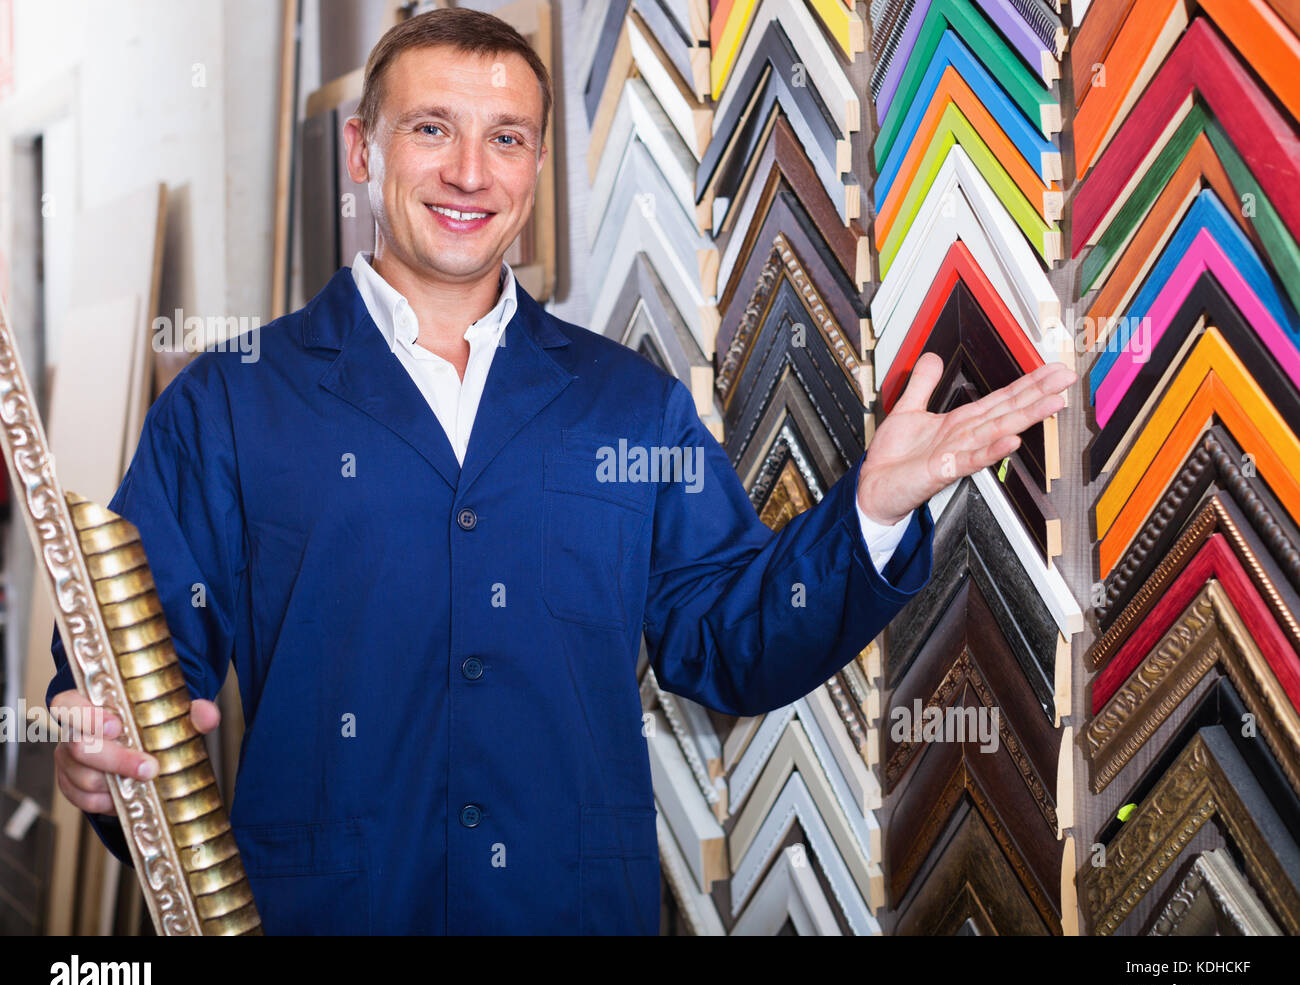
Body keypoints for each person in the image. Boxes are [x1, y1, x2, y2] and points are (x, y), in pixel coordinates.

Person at [47, 8, 1075, 935]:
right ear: (363, 151)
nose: (469, 172)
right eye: (430, 128)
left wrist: (871, 510)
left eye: (506, 139)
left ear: (534, 169)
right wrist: (101, 753)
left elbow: (732, 643)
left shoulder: (629, 404)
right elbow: (136, 676)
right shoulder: (230, 404)